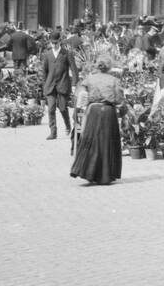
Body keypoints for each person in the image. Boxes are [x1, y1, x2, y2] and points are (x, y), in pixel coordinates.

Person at [70, 57, 125, 185]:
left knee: (91, 141)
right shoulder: (114, 80)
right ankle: (106, 175)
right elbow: (119, 99)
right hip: (108, 112)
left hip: (93, 111)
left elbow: (79, 93)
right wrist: (123, 112)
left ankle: (88, 172)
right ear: (109, 67)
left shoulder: (89, 78)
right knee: (107, 143)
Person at [39, 30, 75, 140]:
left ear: (60, 41)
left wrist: (74, 84)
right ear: (50, 42)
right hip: (50, 86)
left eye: (56, 43)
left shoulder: (66, 53)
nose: (54, 45)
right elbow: (44, 71)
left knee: (63, 108)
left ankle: (68, 125)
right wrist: (44, 85)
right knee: (50, 109)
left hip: (63, 84)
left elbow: (74, 69)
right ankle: (53, 132)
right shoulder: (47, 55)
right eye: (52, 43)